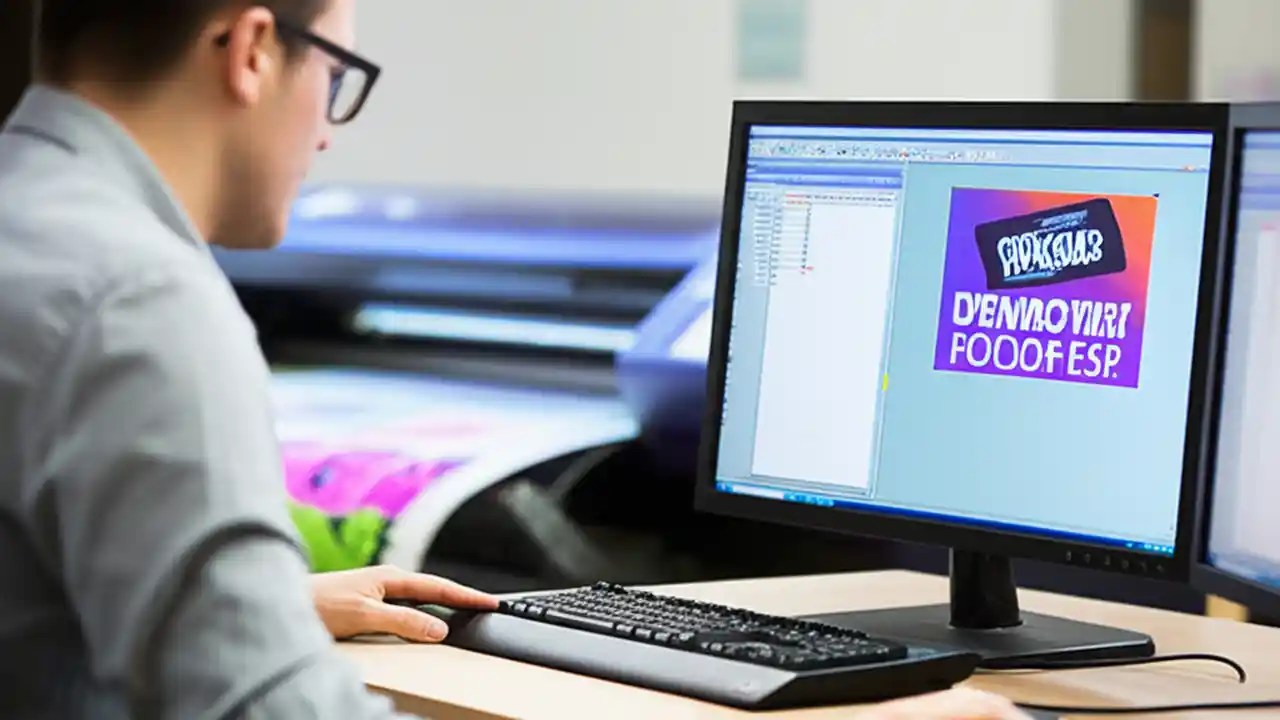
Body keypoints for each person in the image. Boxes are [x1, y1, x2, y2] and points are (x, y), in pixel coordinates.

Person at [0, 1, 1029, 718]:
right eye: (338, 76)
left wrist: (249, 608)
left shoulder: (30, 223)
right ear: (254, 50)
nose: (326, 132)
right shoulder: (136, 299)